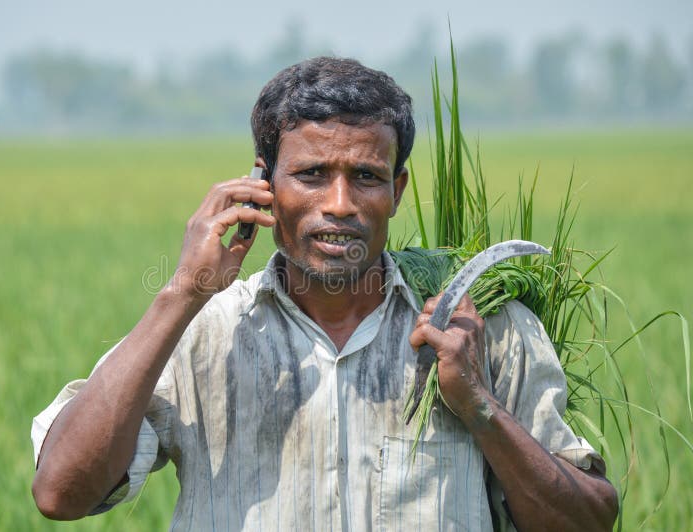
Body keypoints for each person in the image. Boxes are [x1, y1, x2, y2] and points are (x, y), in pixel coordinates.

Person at [30, 57, 618, 531]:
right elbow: (61, 492)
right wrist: (185, 290)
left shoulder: (479, 330)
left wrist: (478, 405)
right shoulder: (201, 334)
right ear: (263, 185)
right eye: (311, 174)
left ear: (398, 189)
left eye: (366, 176)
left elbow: (590, 522)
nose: (340, 204)